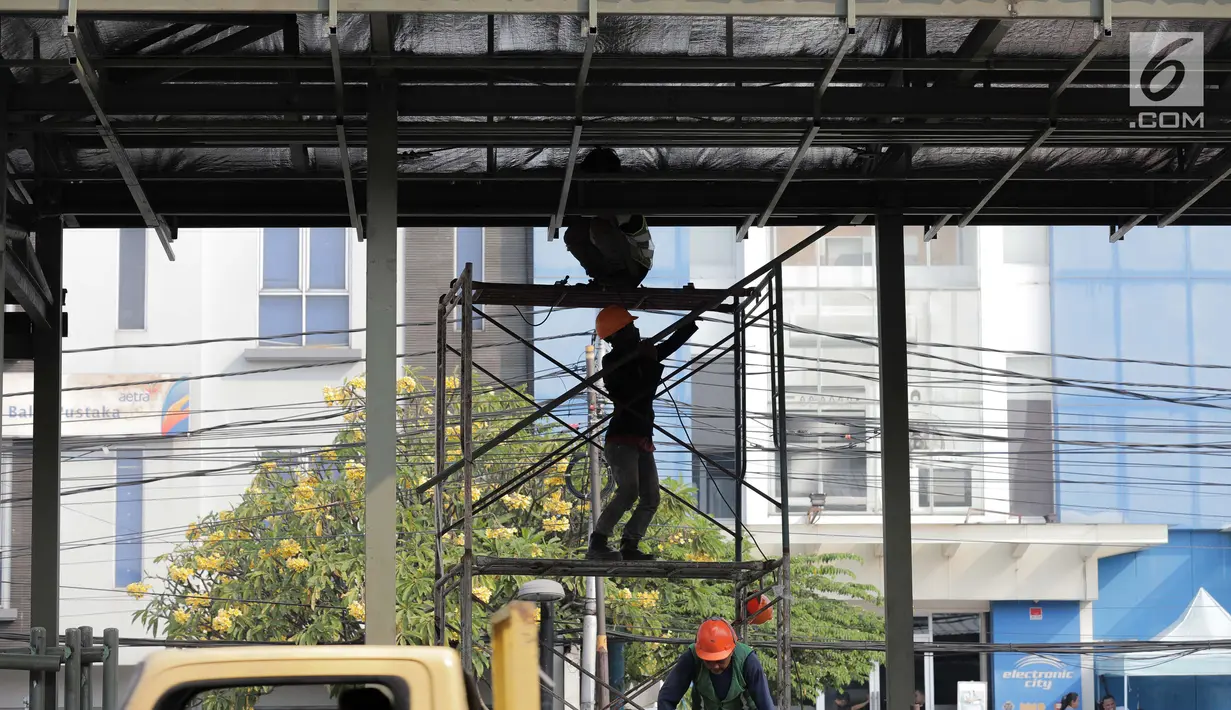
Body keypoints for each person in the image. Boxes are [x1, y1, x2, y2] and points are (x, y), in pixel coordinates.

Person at [586, 305, 698, 561]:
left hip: (640, 438)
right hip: (622, 439)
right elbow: (637, 391)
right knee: (629, 491)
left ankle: (630, 544)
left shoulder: (641, 354)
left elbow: (670, 345)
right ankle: (598, 540)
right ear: (618, 334)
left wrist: (688, 323)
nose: (636, 330)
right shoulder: (613, 362)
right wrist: (648, 360)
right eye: (630, 327)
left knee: (651, 497)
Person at [562, 147, 654, 289]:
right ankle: (602, 278)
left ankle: (614, 277)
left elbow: (606, 217)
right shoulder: (596, 199)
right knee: (574, 234)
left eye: (592, 179)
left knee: (599, 226)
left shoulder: (622, 197)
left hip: (634, 269)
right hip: (622, 261)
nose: (590, 183)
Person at [657, 618, 776, 710]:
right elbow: (666, 698)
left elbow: (765, 704)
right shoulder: (691, 658)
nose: (715, 666)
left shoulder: (748, 661)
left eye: (720, 660)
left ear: (731, 651)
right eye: (708, 661)